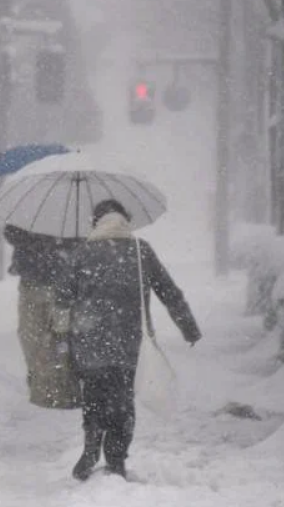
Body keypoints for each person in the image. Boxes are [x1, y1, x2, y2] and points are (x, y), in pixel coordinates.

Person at [53, 199, 202, 480]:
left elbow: (62, 299)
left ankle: (91, 445)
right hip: (129, 344)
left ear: (96, 222)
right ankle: (116, 459)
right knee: (122, 401)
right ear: (125, 220)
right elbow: (168, 291)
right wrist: (189, 328)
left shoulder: (82, 253)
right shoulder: (140, 250)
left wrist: (62, 338)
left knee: (94, 397)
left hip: (88, 342)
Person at [3, 224, 81, 409]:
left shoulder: (72, 208)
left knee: (61, 338)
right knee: (30, 337)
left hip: (63, 283)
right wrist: (38, 240)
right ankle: (41, 386)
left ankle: (64, 391)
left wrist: (59, 243)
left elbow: (82, 241)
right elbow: (11, 233)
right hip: (31, 281)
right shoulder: (32, 208)